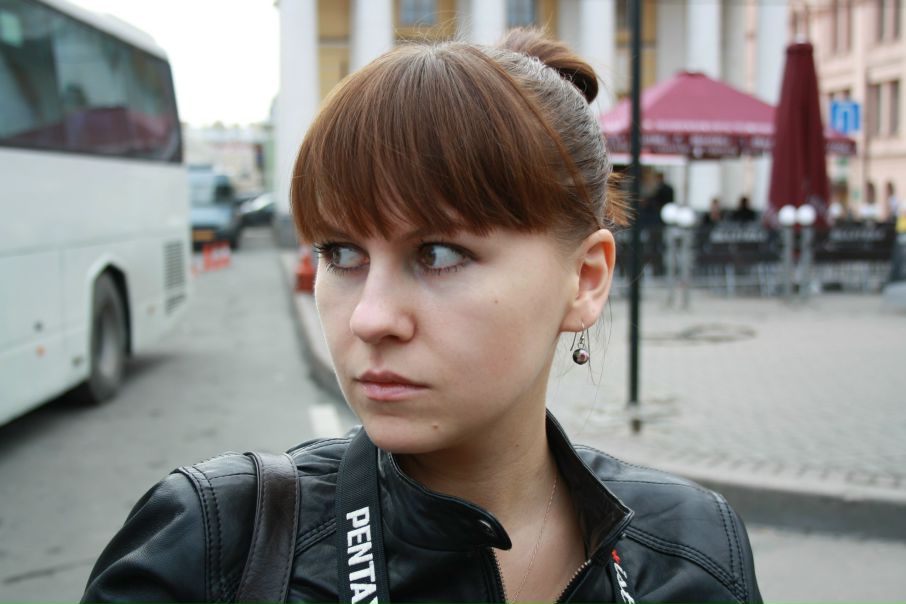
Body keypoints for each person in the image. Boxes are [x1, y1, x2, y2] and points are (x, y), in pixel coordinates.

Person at [81, 29, 761, 604]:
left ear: (585, 280)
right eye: (342, 253)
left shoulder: (693, 550)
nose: (370, 318)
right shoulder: (212, 545)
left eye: (438, 254)